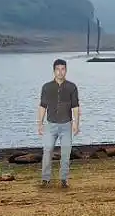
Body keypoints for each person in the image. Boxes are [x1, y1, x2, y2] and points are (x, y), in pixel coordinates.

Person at [37, 58, 80, 188]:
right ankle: (45, 179)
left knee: (66, 153)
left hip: (66, 125)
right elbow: (42, 106)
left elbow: (76, 107)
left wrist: (76, 124)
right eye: (58, 69)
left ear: (66, 70)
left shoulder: (71, 87)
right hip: (50, 125)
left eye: (63, 69)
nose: (60, 72)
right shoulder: (47, 87)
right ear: (54, 71)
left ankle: (64, 179)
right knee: (47, 150)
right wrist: (40, 124)